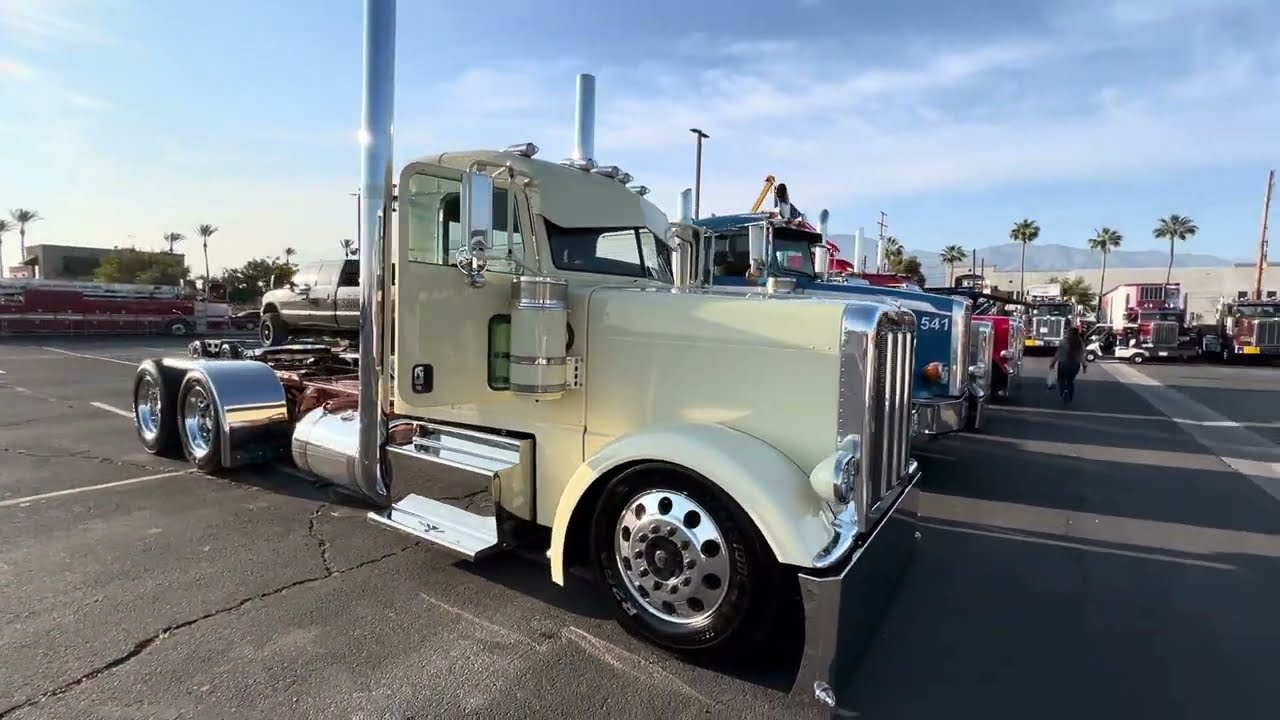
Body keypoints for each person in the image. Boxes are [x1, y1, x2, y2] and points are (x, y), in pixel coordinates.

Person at [1049, 326, 1087, 404]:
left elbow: (1058, 354)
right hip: (1075, 365)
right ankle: (1069, 395)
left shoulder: (1064, 342)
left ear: (1069, 333)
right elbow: (1081, 356)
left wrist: (1052, 363)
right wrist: (1084, 366)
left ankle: (1063, 392)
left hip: (1063, 363)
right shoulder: (1080, 343)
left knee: (1061, 380)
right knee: (1070, 381)